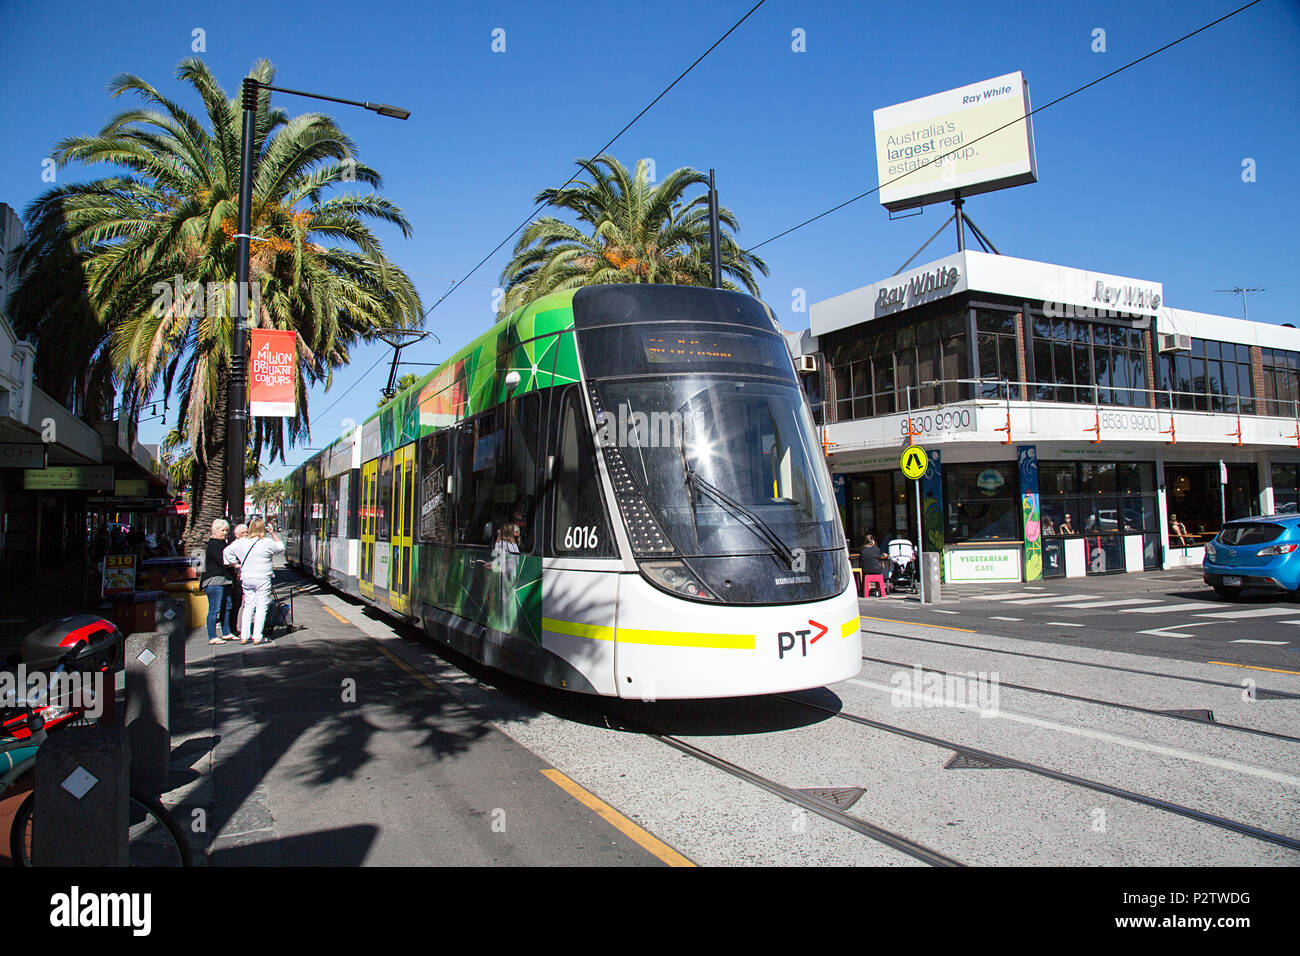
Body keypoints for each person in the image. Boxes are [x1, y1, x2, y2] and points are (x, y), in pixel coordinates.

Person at [223, 518, 285, 645]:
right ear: (263, 529)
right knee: (261, 606)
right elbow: (281, 547)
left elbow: (226, 552)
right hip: (263, 577)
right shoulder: (267, 542)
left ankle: (244, 636)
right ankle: (257, 636)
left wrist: (235, 564)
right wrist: (273, 533)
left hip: (246, 578)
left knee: (248, 606)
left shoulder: (241, 542)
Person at [201, 519, 237, 645]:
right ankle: (212, 636)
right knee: (214, 609)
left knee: (226, 607)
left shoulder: (222, 543)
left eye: (226, 530)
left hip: (225, 580)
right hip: (215, 581)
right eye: (222, 530)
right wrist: (234, 564)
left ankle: (226, 632)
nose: (225, 533)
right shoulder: (214, 544)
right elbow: (223, 561)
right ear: (215, 530)